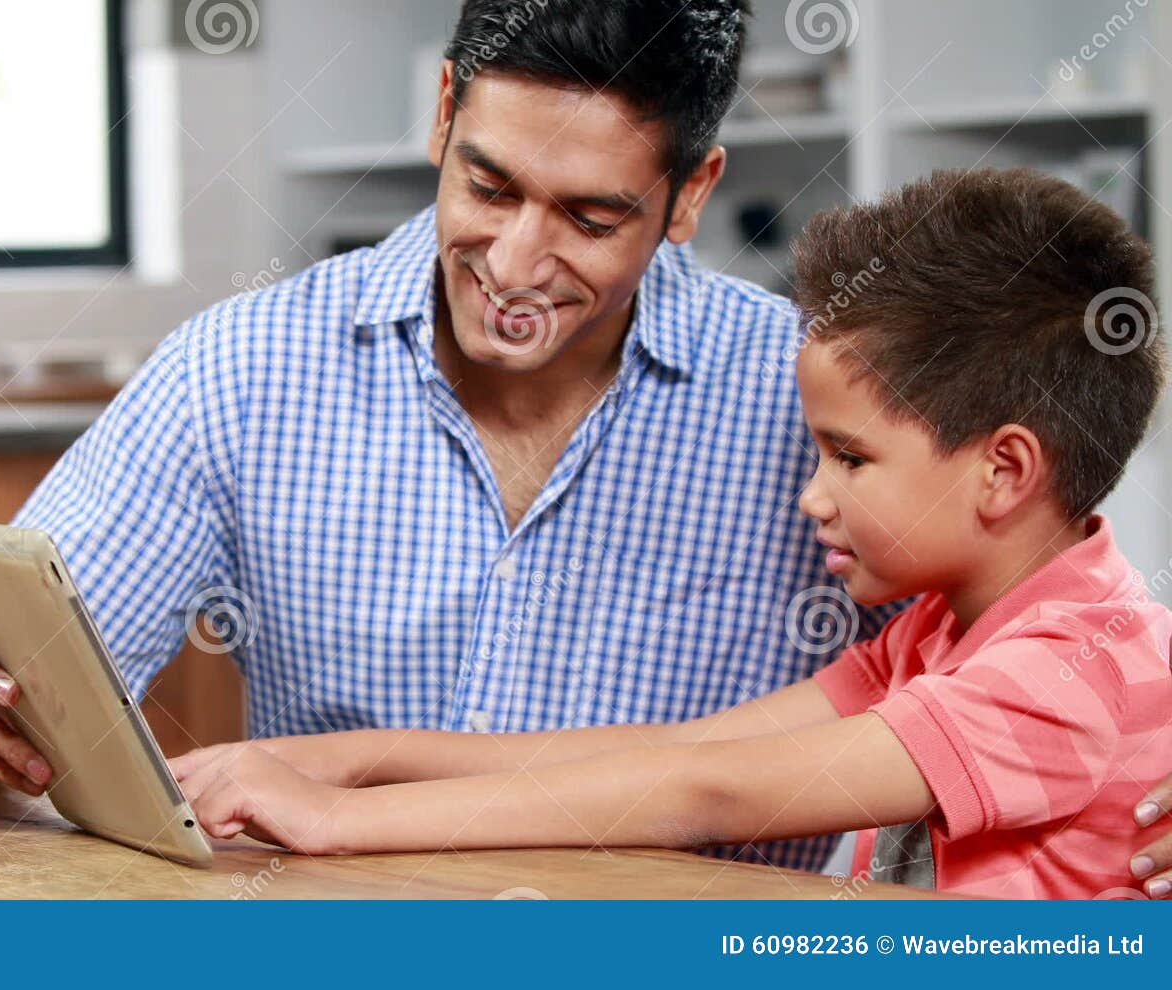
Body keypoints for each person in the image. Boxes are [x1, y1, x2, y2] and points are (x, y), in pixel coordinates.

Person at [169, 168, 1172, 899]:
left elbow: (710, 792)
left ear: (1002, 471)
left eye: (849, 459)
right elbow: (676, 747)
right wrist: (353, 758)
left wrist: (336, 823)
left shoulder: (1061, 669)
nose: (810, 497)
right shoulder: (946, 633)